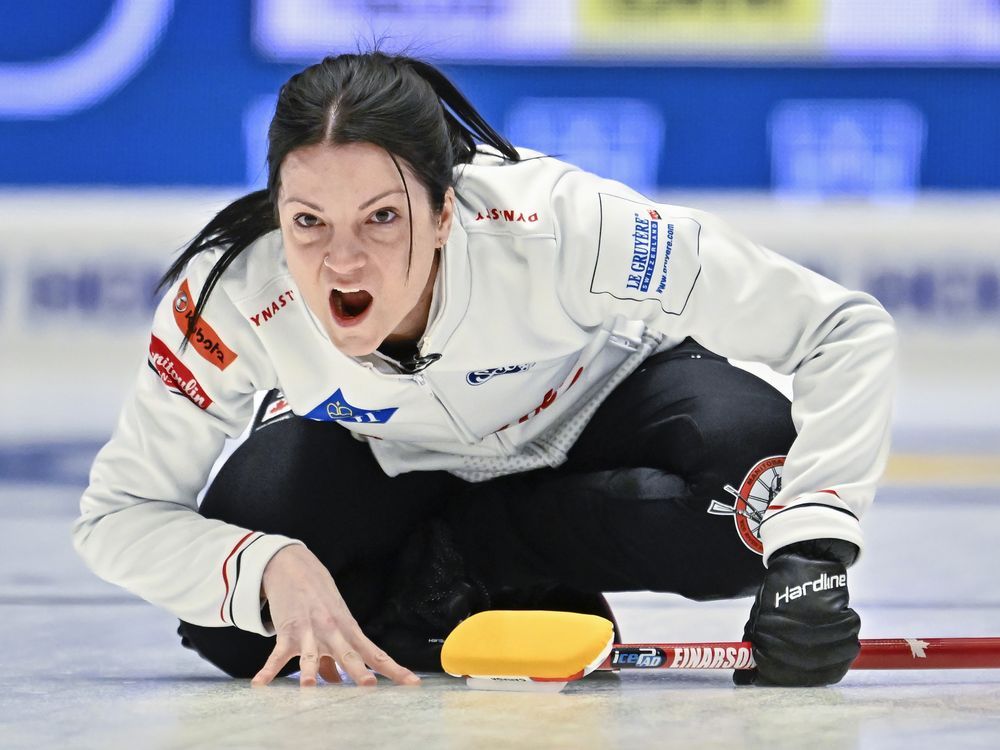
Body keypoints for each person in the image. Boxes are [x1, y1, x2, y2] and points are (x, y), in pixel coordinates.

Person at [74, 51, 897, 689]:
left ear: (444, 212)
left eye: (383, 217)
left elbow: (840, 327)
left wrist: (813, 557)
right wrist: (269, 567)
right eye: (308, 222)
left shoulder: (563, 225)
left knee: (754, 500)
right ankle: (474, 581)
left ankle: (488, 563)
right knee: (238, 628)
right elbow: (116, 515)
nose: (343, 261)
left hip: (599, 403)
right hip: (380, 453)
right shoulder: (231, 294)